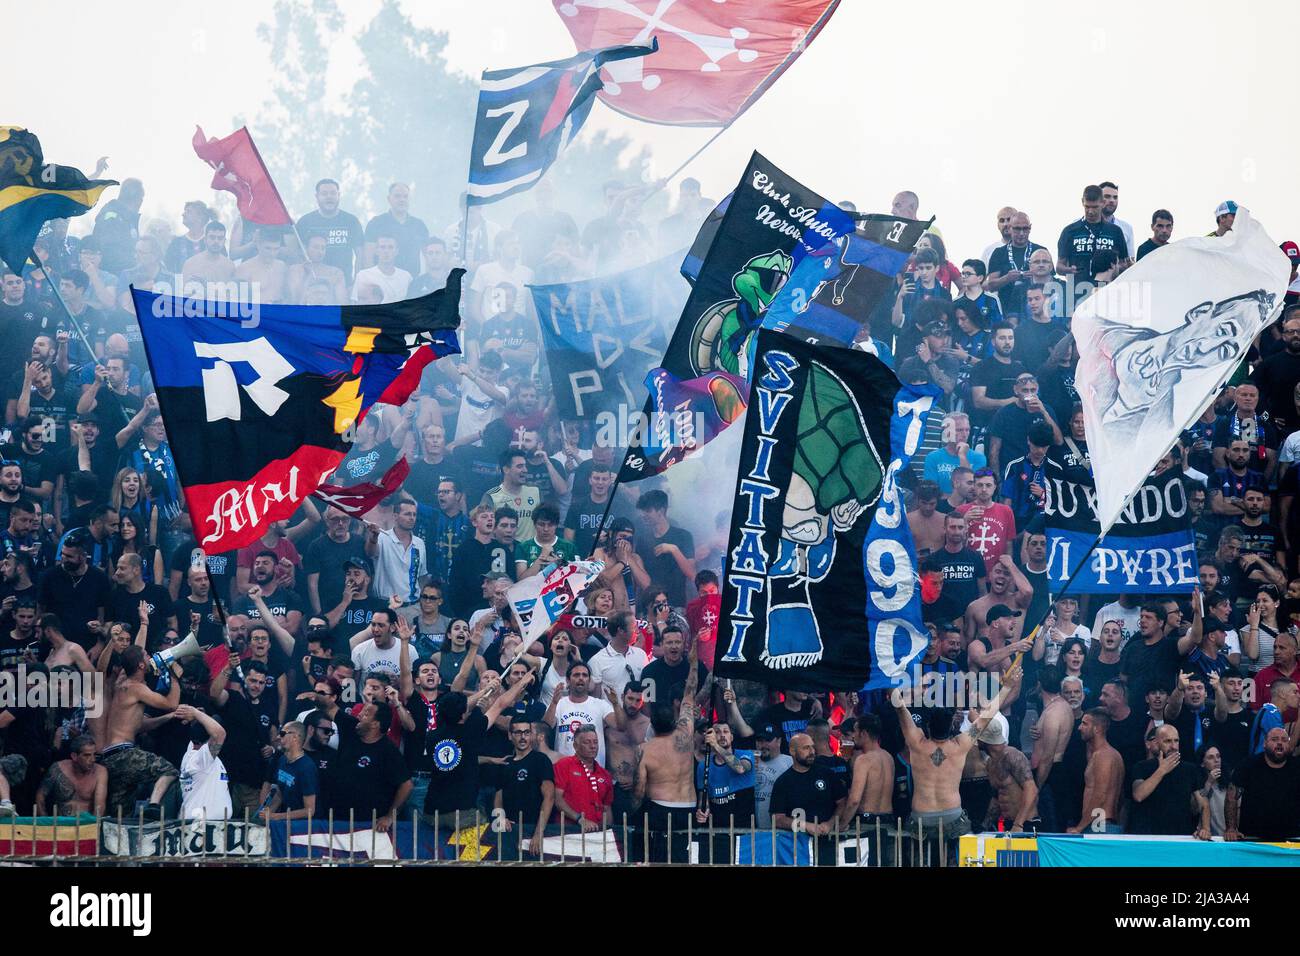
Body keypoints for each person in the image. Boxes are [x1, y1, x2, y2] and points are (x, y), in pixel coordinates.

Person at [893, 667, 1019, 863]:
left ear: (927, 726)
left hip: (921, 817)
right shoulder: (961, 744)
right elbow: (986, 716)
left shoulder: (916, 744)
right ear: (952, 723)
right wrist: (1007, 687)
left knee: (920, 860)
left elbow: (900, 709)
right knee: (956, 859)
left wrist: (889, 680)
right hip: (952, 817)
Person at [423, 672, 533, 830]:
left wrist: (483, 695)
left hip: (431, 812)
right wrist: (522, 682)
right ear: (462, 714)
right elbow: (500, 704)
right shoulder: (471, 730)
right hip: (462, 812)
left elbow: (461, 757)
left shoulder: (432, 735)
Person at [633, 631, 701, 863]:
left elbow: (640, 790)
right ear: (675, 720)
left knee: (659, 859)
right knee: (685, 860)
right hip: (689, 808)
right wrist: (693, 663)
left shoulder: (645, 749)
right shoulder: (685, 733)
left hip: (661, 811)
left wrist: (635, 810)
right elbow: (690, 692)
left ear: (652, 723)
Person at [99, 646, 181, 817]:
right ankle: (153, 805)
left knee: (121, 816)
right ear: (141, 665)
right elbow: (171, 702)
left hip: (110, 756)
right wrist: (173, 674)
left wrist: (169, 717)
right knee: (168, 770)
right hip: (124, 754)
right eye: (146, 655)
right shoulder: (136, 688)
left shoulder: (122, 684)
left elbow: (139, 726)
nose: (150, 657)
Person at [1129, 725, 1211, 838]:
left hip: (1182, 836)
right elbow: (1138, 795)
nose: (1173, 746)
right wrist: (1161, 771)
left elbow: (1203, 803)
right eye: (1167, 741)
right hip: (1149, 837)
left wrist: (1205, 828)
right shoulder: (1141, 767)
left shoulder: (1190, 769)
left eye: (1176, 741)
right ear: (1157, 743)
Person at [490, 717, 555, 859]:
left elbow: (549, 797)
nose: (523, 737)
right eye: (518, 733)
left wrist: (538, 833)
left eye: (526, 732)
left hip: (535, 832)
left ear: (532, 735)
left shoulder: (541, 760)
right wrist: (500, 818)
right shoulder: (505, 763)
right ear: (510, 735)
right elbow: (498, 796)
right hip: (511, 834)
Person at [1225, 726, 1300, 842]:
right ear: (1264, 743)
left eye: (1284, 740)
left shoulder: (1297, 767)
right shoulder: (1248, 765)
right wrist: (1231, 828)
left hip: (1292, 838)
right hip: (1252, 837)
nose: (1280, 743)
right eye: (1274, 739)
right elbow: (1231, 797)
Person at [695, 721, 755, 863]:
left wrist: (715, 746)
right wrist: (702, 811)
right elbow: (703, 798)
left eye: (725, 731)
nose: (722, 735)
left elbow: (740, 768)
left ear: (732, 737)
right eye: (717, 731)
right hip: (717, 833)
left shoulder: (745, 755)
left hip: (743, 833)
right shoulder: (703, 765)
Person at [553, 724, 615, 832]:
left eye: (595, 742)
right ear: (575, 746)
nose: (593, 746)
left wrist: (608, 832)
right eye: (587, 742)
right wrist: (580, 819)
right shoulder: (564, 765)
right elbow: (557, 799)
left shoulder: (605, 774)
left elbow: (607, 808)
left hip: (596, 835)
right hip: (568, 832)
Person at [175, 705, 231, 821]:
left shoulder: (191, 750)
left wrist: (199, 716)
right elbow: (220, 734)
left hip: (202, 824)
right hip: (200, 827)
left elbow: (200, 731)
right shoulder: (201, 759)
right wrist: (195, 713)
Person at [258, 721, 319, 821]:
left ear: (295, 737)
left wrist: (276, 816)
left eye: (282, 734)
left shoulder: (306, 768)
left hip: (303, 828)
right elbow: (280, 792)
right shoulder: (282, 760)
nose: (278, 737)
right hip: (287, 823)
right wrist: (268, 814)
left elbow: (309, 810)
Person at [34, 734, 106, 816]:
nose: (93, 759)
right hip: (61, 824)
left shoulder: (100, 771)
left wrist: (93, 826)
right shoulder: (58, 768)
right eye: (87, 755)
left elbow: (99, 806)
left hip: (86, 824)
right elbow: (40, 796)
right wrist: (45, 821)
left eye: (94, 754)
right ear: (74, 756)